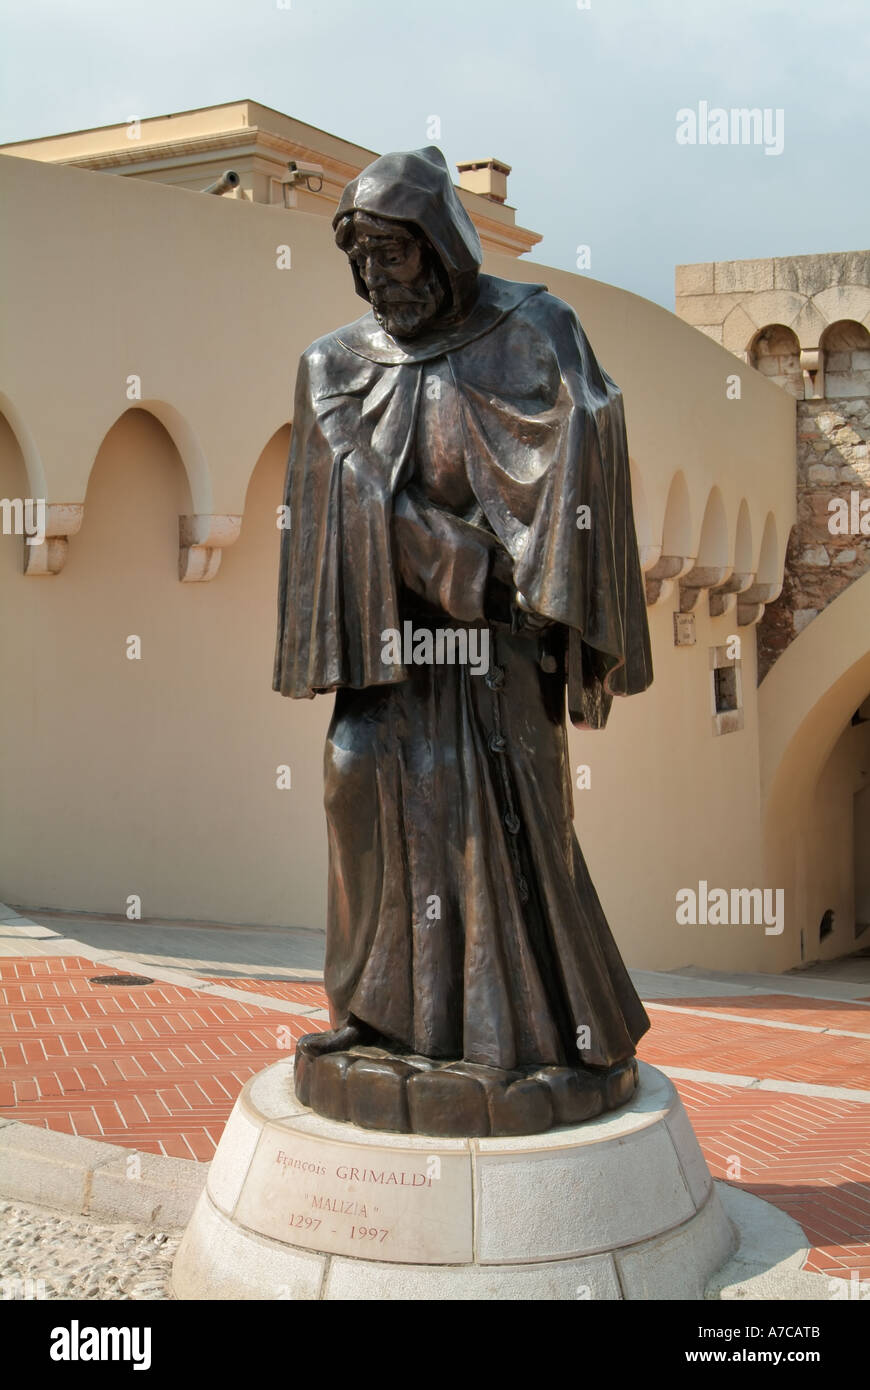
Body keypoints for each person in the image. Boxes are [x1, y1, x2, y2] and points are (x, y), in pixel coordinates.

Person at [274, 147, 653, 1127]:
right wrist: (441, 552)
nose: (376, 282)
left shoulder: (534, 332)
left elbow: (587, 438)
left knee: (496, 823)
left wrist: (523, 571)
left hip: (496, 654)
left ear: (442, 247)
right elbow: (335, 492)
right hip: (391, 651)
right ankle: (376, 1016)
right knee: (355, 781)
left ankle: (520, 1040)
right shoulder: (336, 364)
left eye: (394, 257)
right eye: (362, 263)